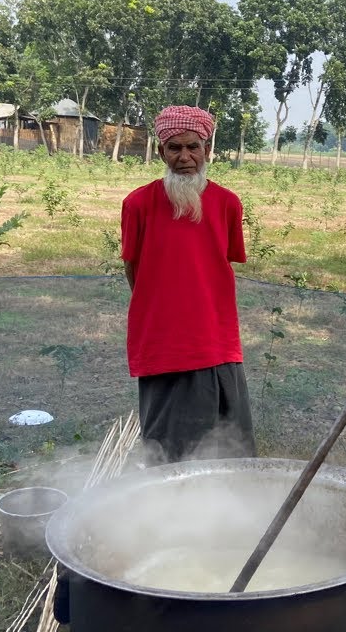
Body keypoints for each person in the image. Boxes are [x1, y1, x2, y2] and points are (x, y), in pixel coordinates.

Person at [120, 104, 256, 465]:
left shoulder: (227, 204)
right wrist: (161, 310)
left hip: (216, 339)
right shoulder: (137, 204)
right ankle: (166, 514)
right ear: (161, 151)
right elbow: (133, 268)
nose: (185, 157)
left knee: (229, 449)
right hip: (160, 341)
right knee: (165, 448)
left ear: (207, 150)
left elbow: (220, 263)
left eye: (193, 146)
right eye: (174, 148)